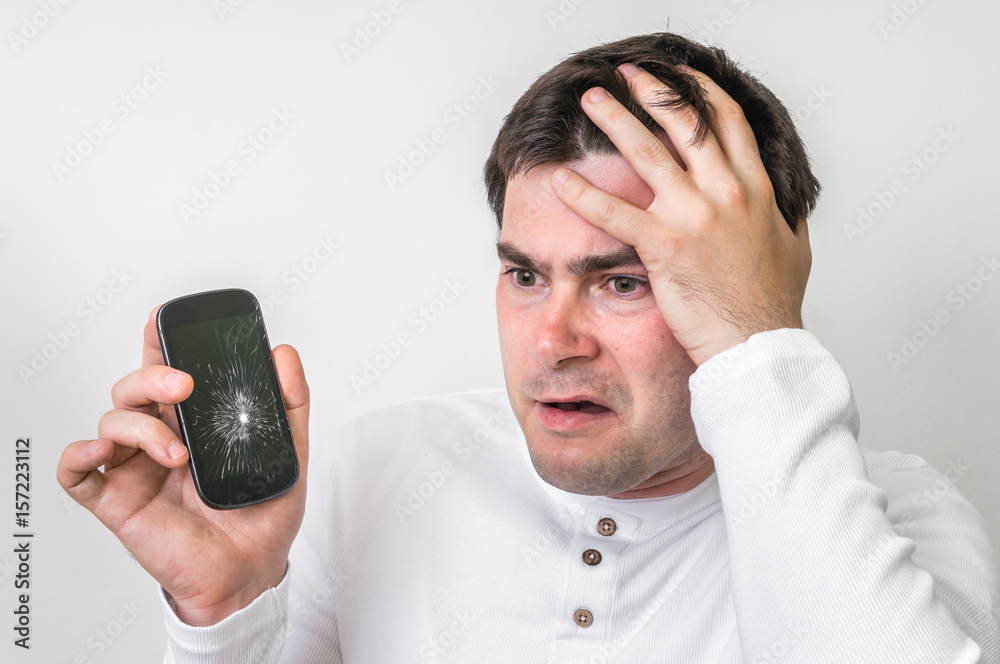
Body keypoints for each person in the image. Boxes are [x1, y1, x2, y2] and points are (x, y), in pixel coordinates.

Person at [58, 32, 999, 663]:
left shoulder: (895, 522)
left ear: (749, 281)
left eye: (625, 280)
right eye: (524, 274)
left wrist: (761, 339)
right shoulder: (383, 466)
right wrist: (228, 615)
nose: (553, 339)